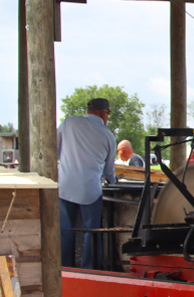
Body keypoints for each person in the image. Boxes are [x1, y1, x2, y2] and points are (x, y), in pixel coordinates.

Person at [57, 97, 116, 269]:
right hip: (90, 190)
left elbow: (54, 147)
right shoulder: (107, 135)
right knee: (91, 233)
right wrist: (113, 182)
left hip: (65, 187)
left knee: (65, 232)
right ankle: (89, 269)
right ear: (103, 113)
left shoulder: (69, 123)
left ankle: (64, 268)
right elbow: (108, 171)